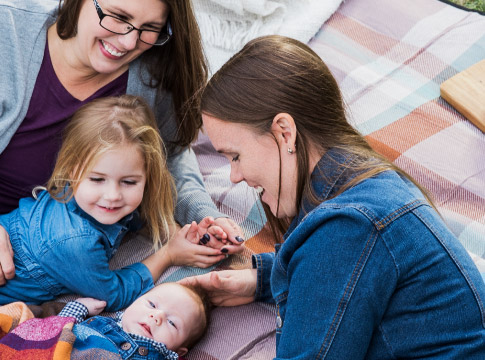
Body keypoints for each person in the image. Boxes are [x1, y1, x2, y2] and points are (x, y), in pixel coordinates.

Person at [180, 35, 485, 359]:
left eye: (235, 156)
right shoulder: (368, 182)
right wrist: (261, 278)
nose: (234, 176)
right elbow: (356, 275)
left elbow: (340, 261)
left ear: (285, 133)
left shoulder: (346, 229)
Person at [0, 0, 244, 284]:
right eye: (117, 17)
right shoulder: (9, 31)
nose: (129, 42)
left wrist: (206, 216)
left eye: (150, 28)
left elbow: (170, 155)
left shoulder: (152, 74)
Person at [0, 95, 228, 312]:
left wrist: (184, 232)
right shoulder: (75, 242)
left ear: (147, 176)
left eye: (128, 182)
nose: (112, 195)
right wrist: (169, 254)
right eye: (97, 179)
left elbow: (141, 216)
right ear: (71, 170)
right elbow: (114, 294)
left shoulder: (93, 198)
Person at [58, 282, 211, 358]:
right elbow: (55, 331)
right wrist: (80, 307)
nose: (157, 316)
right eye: (152, 304)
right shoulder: (100, 323)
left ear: (178, 351)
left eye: (172, 323)